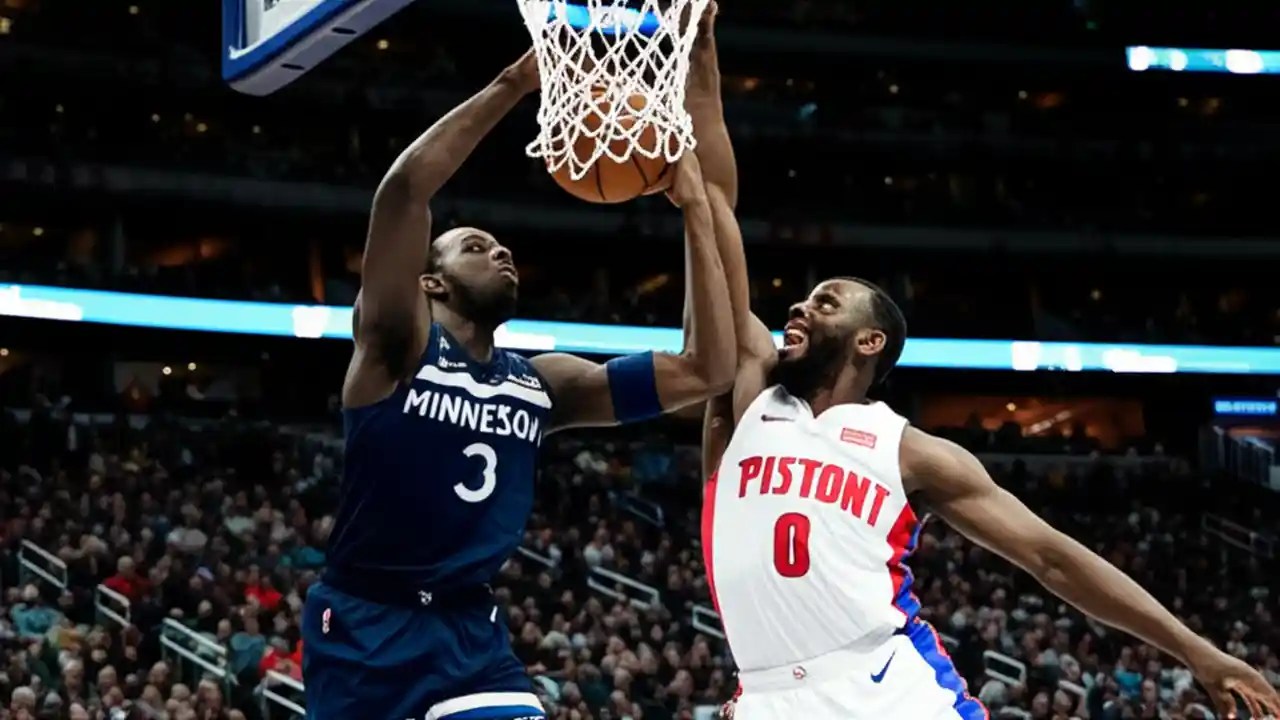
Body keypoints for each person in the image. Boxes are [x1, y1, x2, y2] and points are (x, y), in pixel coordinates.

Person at [684, 7, 1280, 720]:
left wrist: (1195, 650)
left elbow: (1052, 557)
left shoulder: (912, 452)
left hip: (890, 690)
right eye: (805, 301)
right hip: (766, 697)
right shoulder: (750, 392)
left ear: (870, 342)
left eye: (827, 302)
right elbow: (716, 207)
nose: (800, 310)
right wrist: (701, 61)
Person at [300, 51, 736, 720]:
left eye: (503, 248)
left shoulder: (541, 384)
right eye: (475, 247)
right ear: (430, 281)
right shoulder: (396, 346)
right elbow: (403, 193)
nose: (501, 252)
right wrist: (513, 83)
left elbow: (707, 367)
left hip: (470, 633)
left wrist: (697, 210)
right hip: (366, 627)